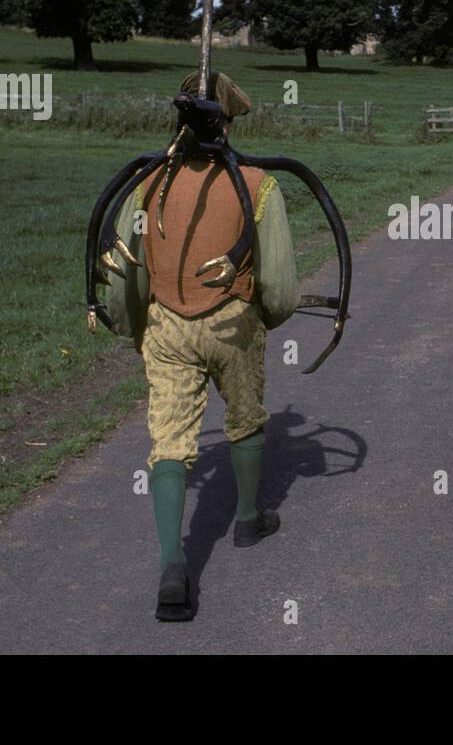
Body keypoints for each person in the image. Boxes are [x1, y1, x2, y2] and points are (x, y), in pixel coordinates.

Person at [138, 70, 299, 620]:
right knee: (246, 416)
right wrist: (266, 319)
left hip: (165, 324)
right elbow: (278, 286)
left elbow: (125, 274)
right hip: (234, 323)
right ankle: (249, 518)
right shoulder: (258, 184)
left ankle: (172, 565)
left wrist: (140, 322)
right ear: (226, 122)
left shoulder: (145, 182)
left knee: (170, 441)